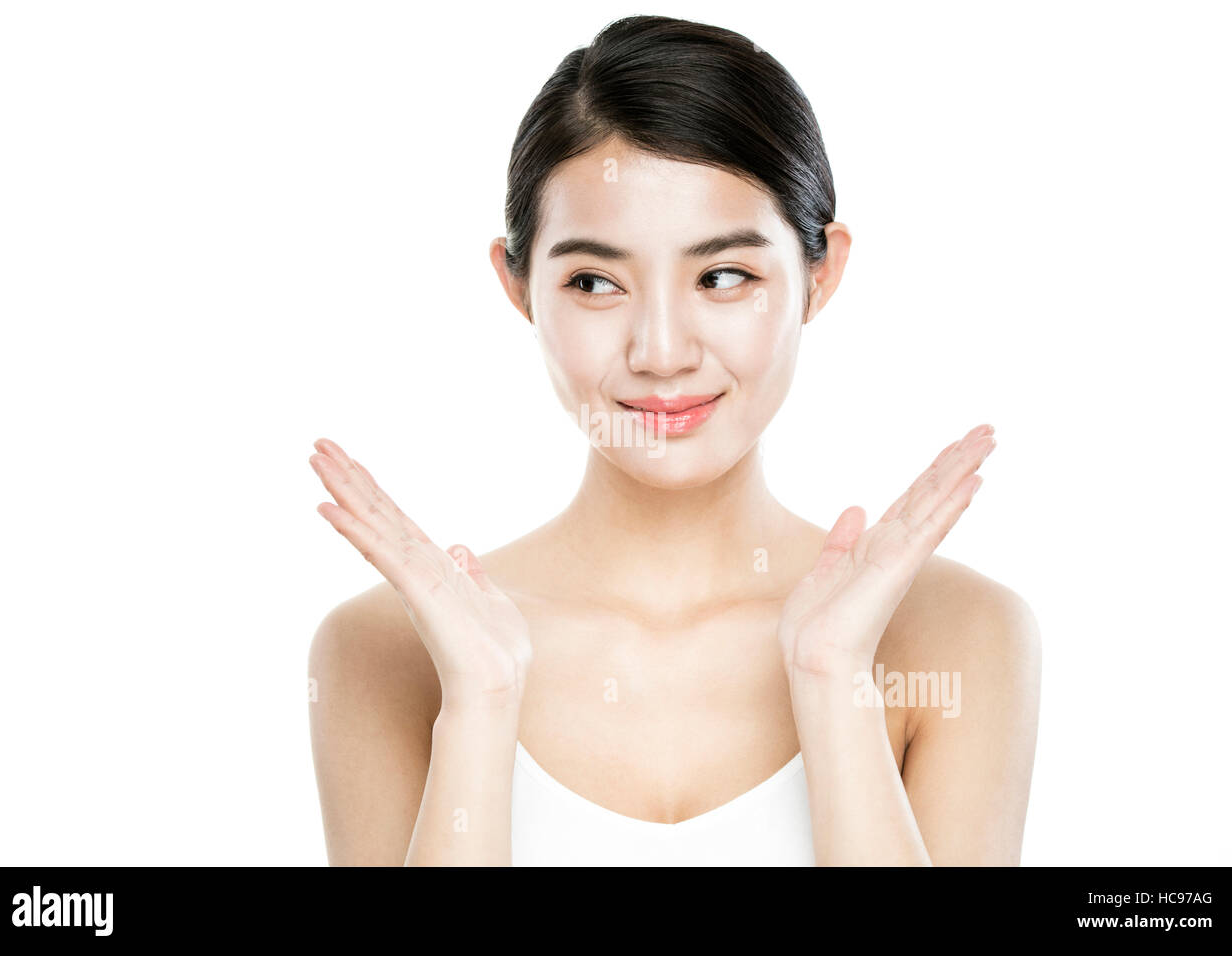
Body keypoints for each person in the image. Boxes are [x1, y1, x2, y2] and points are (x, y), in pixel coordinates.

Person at [307, 14, 1041, 866]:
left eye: (723, 277)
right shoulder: (383, 650)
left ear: (818, 274)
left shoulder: (960, 635)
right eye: (594, 281)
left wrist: (835, 682)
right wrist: (479, 701)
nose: (661, 351)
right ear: (517, 286)